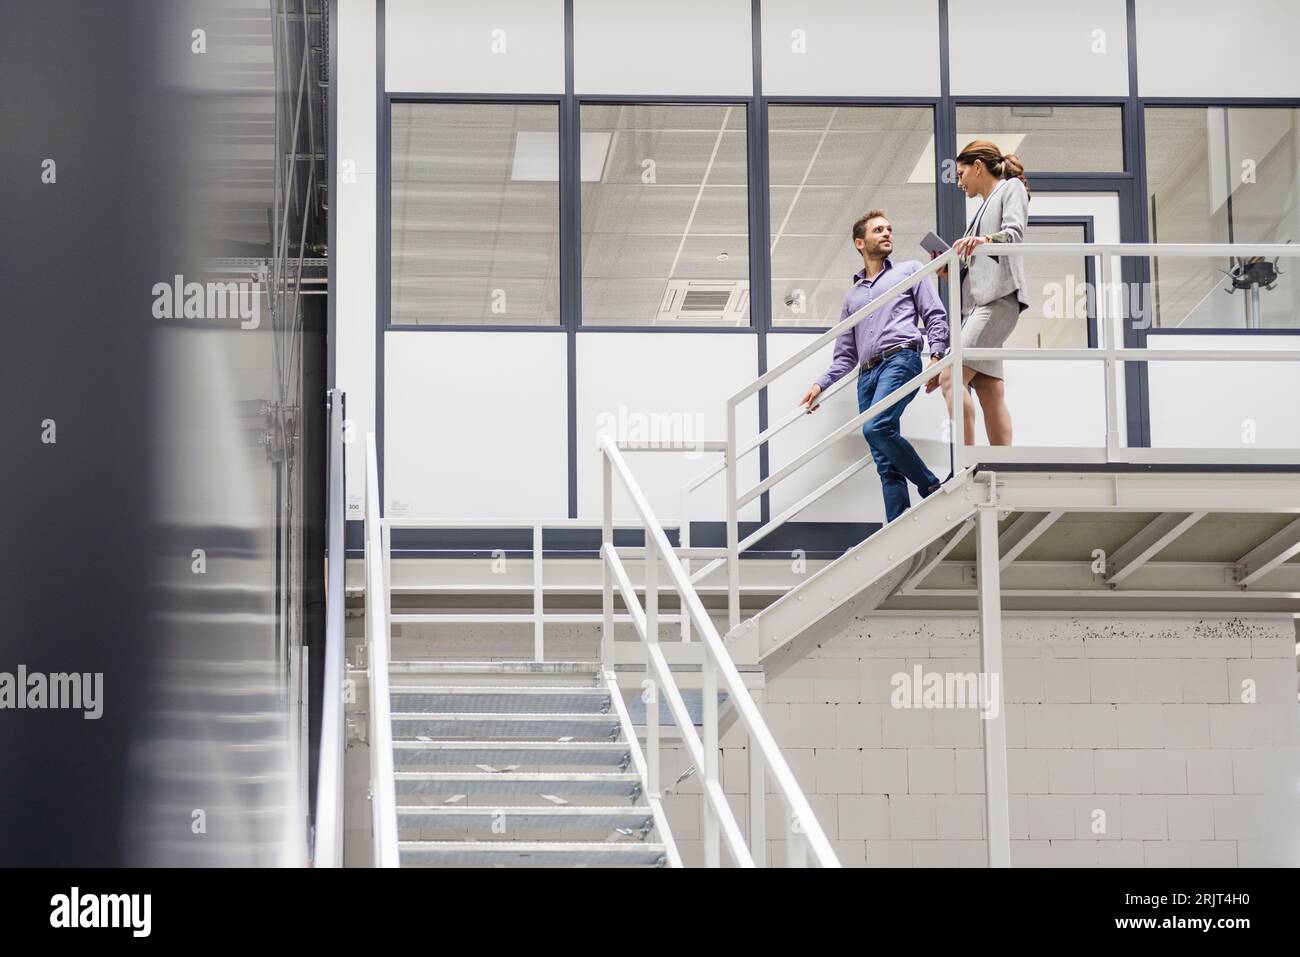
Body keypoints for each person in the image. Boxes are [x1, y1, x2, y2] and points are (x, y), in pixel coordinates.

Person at [800, 210, 950, 523]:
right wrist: (820, 384)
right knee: (885, 463)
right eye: (878, 230)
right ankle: (898, 527)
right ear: (860, 242)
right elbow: (845, 355)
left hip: (900, 359)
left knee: (876, 426)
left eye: (889, 229)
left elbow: (934, 315)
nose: (886, 234)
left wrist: (937, 356)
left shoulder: (910, 270)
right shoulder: (853, 297)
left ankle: (930, 486)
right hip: (866, 376)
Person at [930, 140, 1030, 446]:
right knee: (990, 390)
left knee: (950, 377)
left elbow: (1013, 234)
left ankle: (965, 463)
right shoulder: (981, 209)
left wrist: (983, 239)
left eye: (961, 174)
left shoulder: (1010, 188)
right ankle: (1004, 466)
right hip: (980, 303)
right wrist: (953, 271)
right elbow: (980, 263)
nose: (959, 182)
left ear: (977, 166)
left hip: (997, 301)